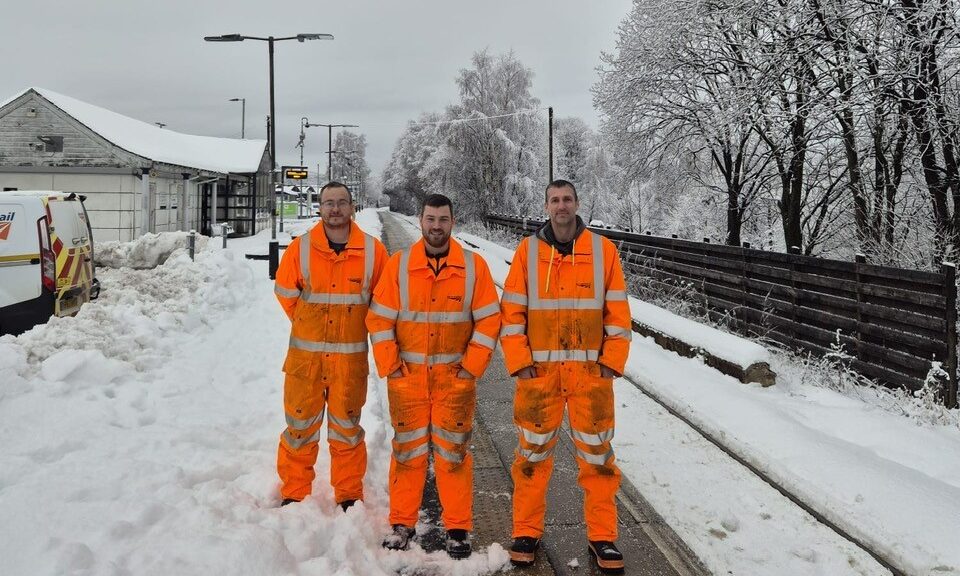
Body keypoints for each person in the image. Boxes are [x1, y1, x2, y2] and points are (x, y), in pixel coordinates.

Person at [499, 179, 632, 574]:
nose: (562, 206)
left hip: (590, 377)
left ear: (577, 204)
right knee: (531, 457)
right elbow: (512, 313)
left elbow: (618, 313)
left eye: (567, 199)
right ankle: (526, 533)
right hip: (540, 377)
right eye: (555, 200)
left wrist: (611, 361)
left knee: (598, 459)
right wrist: (519, 361)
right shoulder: (528, 252)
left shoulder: (603, 251)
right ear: (546, 206)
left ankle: (602, 537)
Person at [366, 193, 501, 559]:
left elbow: (489, 320)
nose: (436, 226)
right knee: (407, 453)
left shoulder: (473, 268)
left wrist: (471, 367)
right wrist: (391, 364)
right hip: (407, 379)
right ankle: (402, 523)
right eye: (430, 219)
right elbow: (379, 318)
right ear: (421, 220)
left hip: (454, 381)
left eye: (443, 219)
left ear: (452, 222)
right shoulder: (399, 266)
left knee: (453, 455)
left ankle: (457, 528)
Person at [273, 181, 389, 511]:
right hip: (305, 361)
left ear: (352, 207)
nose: (335, 209)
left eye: (341, 202)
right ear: (320, 207)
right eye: (328, 203)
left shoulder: (373, 252)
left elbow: (384, 304)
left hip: (349, 363)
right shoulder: (301, 249)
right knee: (299, 426)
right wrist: (307, 323)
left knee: (347, 429)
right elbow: (285, 292)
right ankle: (295, 491)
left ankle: (348, 494)